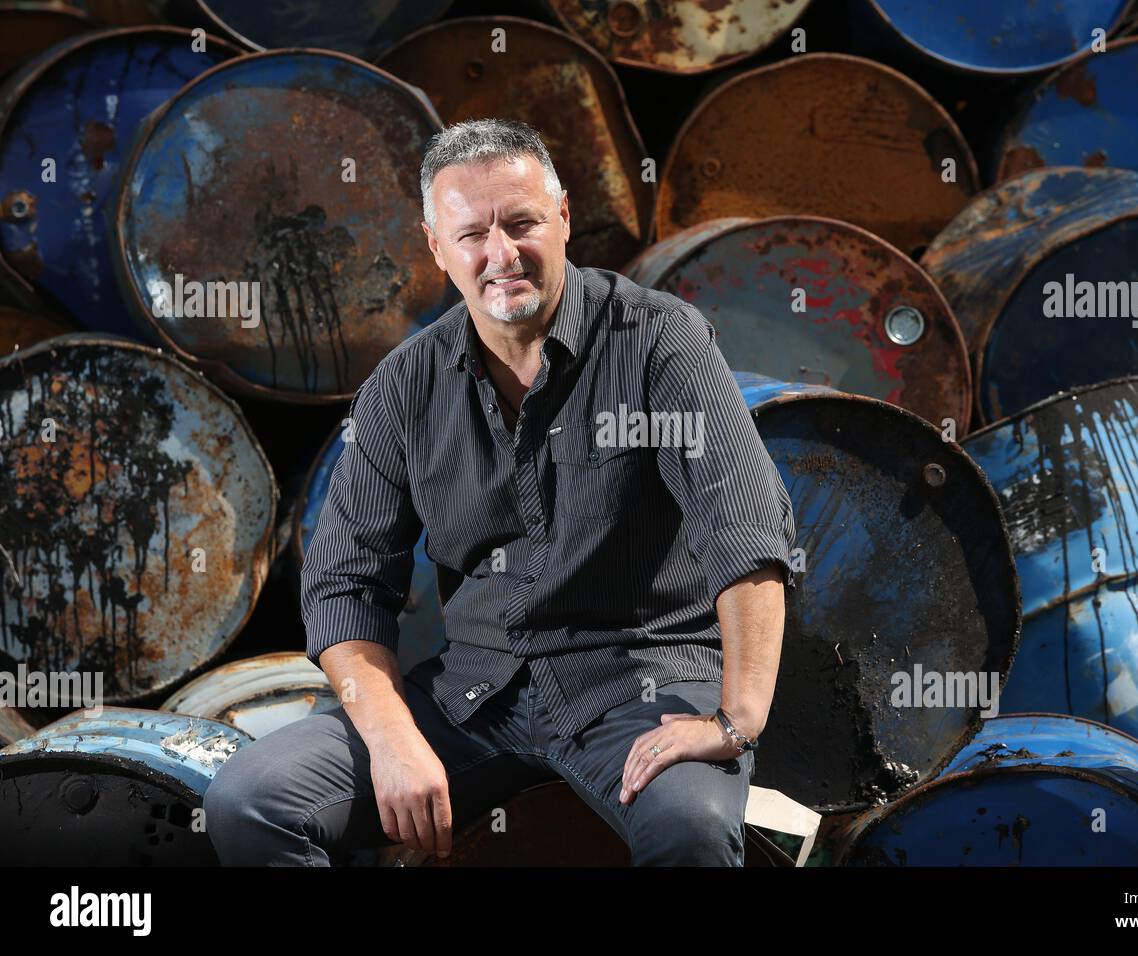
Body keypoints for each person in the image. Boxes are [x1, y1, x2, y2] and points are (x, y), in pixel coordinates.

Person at [204, 117, 796, 866]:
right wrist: (393, 742)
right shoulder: (403, 384)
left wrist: (736, 719)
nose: (500, 255)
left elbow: (741, 530)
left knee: (690, 829)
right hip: (475, 694)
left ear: (564, 217)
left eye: (521, 223)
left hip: (639, 683)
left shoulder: (659, 340)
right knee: (252, 800)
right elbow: (344, 586)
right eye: (472, 234)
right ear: (434, 246)